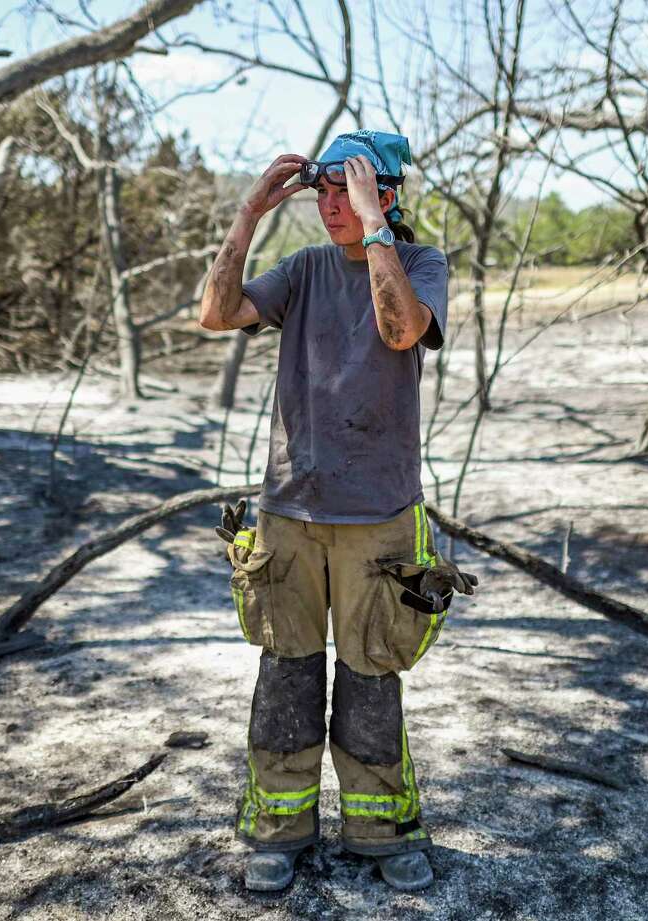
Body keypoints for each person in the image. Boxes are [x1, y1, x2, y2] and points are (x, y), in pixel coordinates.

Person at [198, 130, 477, 894]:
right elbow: (216, 314)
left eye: (345, 193)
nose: (329, 209)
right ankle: (279, 831)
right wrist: (250, 213)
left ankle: (382, 832)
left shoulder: (419, 263)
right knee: (286, 673)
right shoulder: (305, 270)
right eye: (321, 194)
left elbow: (399, 329)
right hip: (290, 510)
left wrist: (376, 230)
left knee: (370, 672)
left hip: (381, 516)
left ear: (385, 194)